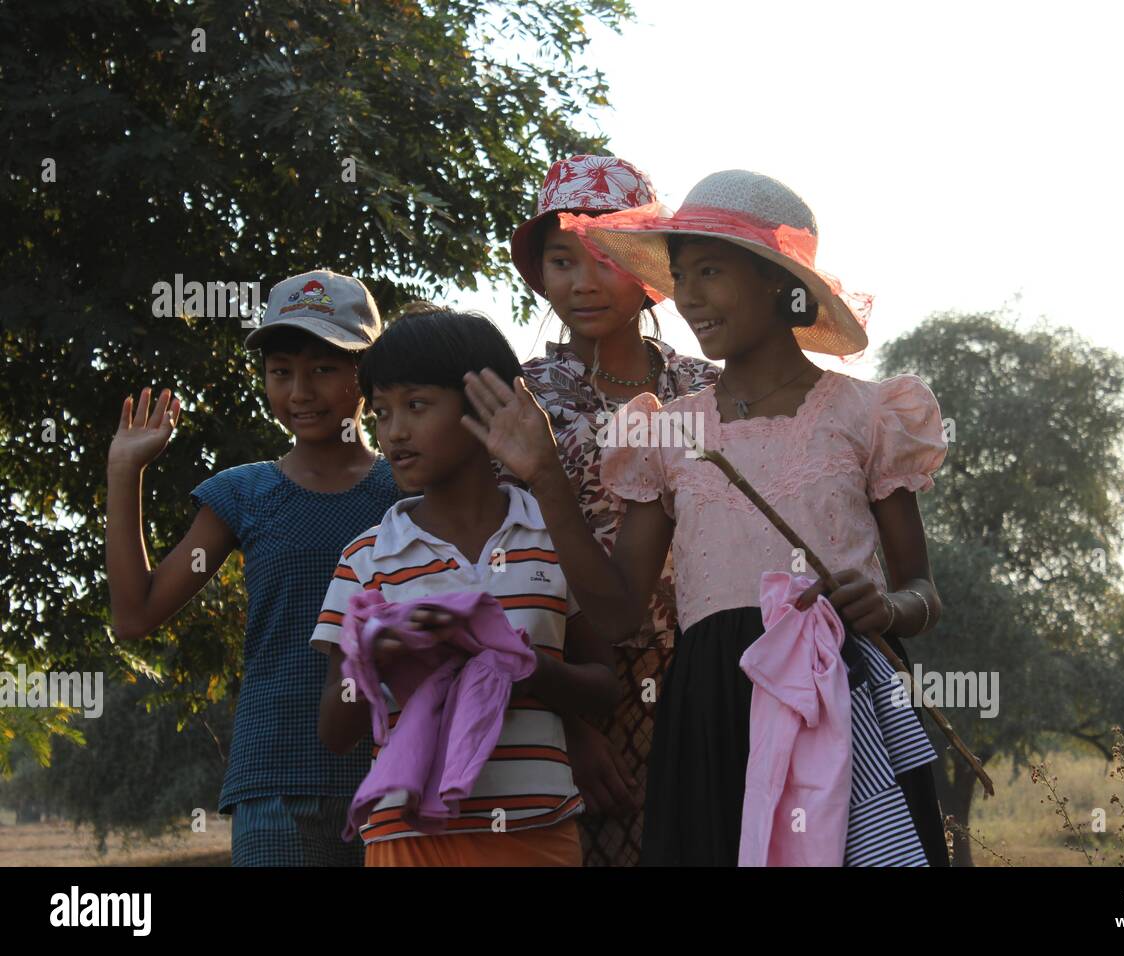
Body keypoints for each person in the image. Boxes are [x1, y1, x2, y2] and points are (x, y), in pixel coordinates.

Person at [461, 169, 951, 866]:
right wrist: (545, 477)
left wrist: (886, 609)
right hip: (707, 709)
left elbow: (923, 593)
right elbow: (617, 612)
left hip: (839, 700)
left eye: (711, 272)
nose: (688, 296)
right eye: (682, 275)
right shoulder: (664, 430)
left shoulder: (869, 415)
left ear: (783, 288)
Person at [105, 270, 402, 866]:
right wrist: (124, 472)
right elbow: (136, 615)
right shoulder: (244, 496)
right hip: (276, 784)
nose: (300, 391)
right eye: (280, 371)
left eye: (324, 368)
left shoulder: (408, 489)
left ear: (366, 375)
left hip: (400, 774)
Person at [312, 304, 620, 866]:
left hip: (538, 833)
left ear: (484, 407)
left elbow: (605, 687)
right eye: (381, 412)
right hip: (408, 843)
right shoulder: (366, 558)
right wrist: (374, 659)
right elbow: (335, 731)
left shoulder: (555, 538)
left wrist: (528, 670)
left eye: (417, 405)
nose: (394, 430)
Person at [508, 154, 718, 865]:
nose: (582, 282)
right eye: (562, 261)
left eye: (604, 257)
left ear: (648, 269)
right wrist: (568, 721)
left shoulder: (708, 389)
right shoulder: (521, 401)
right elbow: (496, 561)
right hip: (568, 677)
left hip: (713, 673)